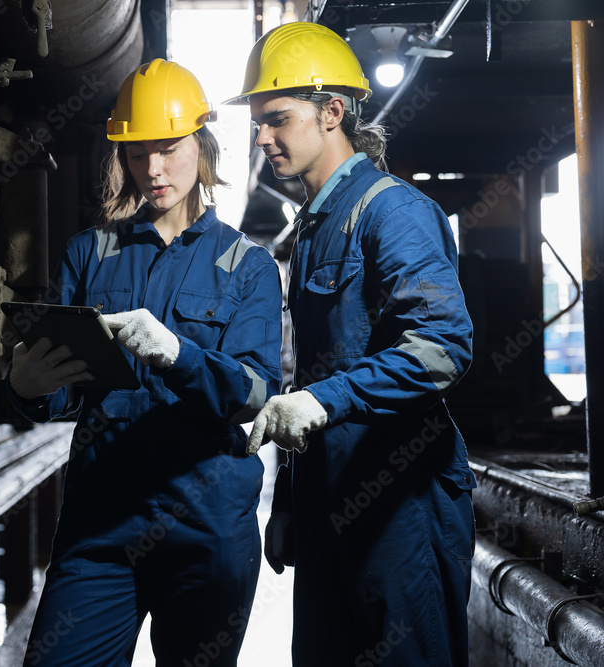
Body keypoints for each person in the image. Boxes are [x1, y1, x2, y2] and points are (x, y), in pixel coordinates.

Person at [7, 59, 283, 666]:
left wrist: (180, 356)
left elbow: (257, 395)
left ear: (202, 146)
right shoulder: (91, 252)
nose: (152, 169)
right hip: (101, 525)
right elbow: (68, 390)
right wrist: (26, 387)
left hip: (206, 526)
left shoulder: (248, 266)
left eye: (167, 148)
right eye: (136, 154)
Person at [226, 21, 476, 666]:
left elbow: (442, 347)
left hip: (401, 507)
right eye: (257, 122)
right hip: (330, 504)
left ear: (332, 112)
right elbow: (310, 377)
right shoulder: (313, 226)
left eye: (277, 118)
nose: (262, 138)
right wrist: (289, 503)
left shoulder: (390, 211)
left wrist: (321, 402)